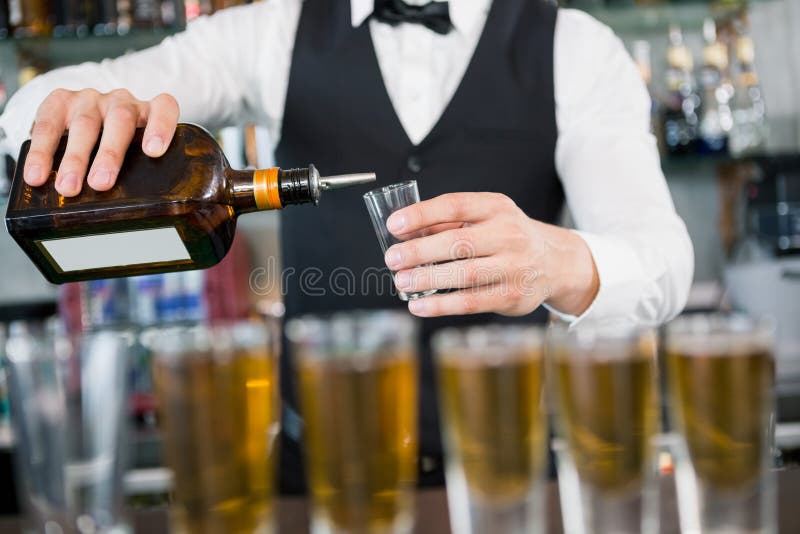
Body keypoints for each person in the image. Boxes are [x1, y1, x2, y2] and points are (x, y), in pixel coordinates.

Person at [0, 0, 693, 492]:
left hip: (507, 481)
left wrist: (558, 261)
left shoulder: (576, 46)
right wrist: (67, 113)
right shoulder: (271, 30)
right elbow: (52, 98)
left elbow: (664, 259)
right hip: (316, 483)